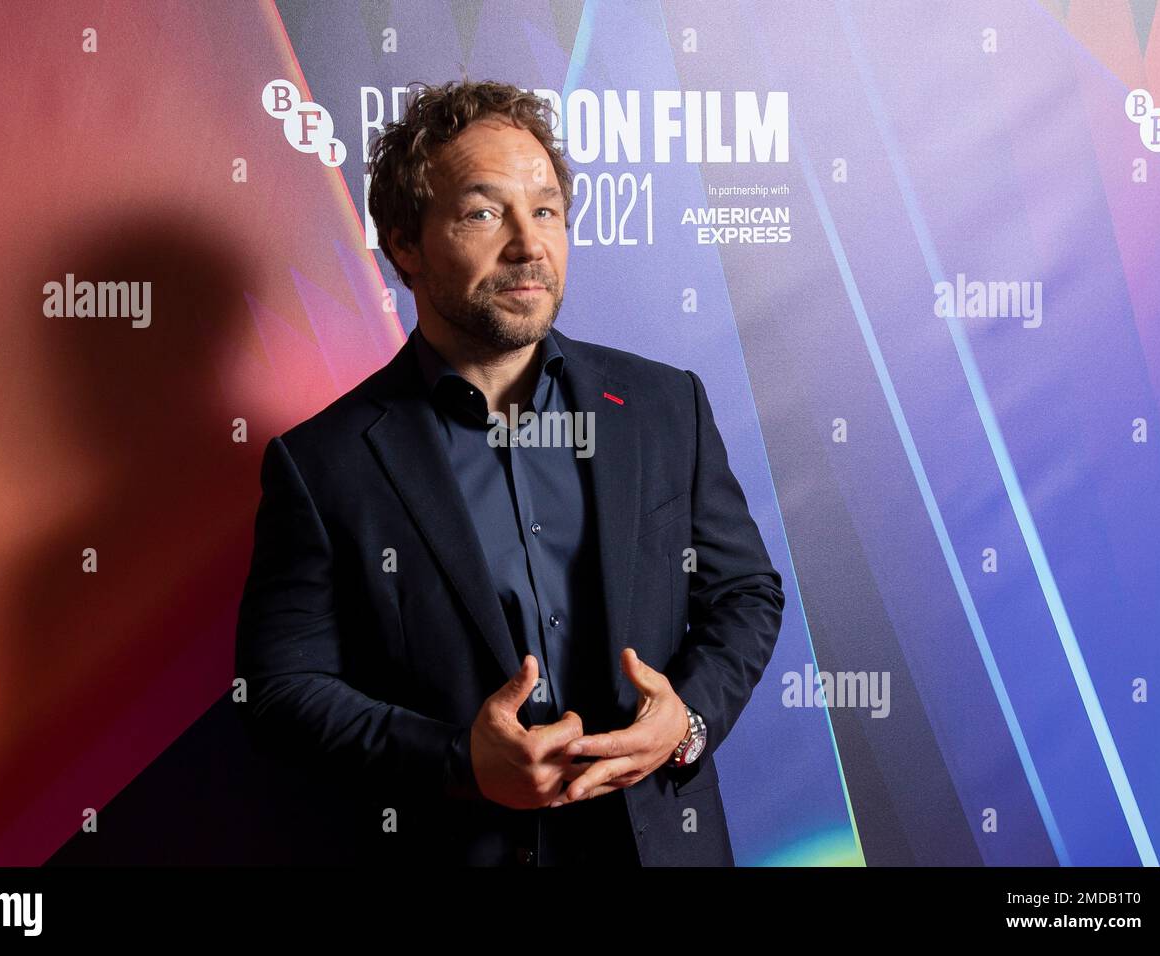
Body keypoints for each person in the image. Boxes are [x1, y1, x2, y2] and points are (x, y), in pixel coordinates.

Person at [234, 79, 784, 866]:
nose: (530, 244)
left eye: (547, 210)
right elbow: (281, 692)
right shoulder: (321, 464)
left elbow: (745, 593)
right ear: (403, 244)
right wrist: (459, 760)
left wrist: (686, 719)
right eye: (484, 212)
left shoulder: (665, 406)